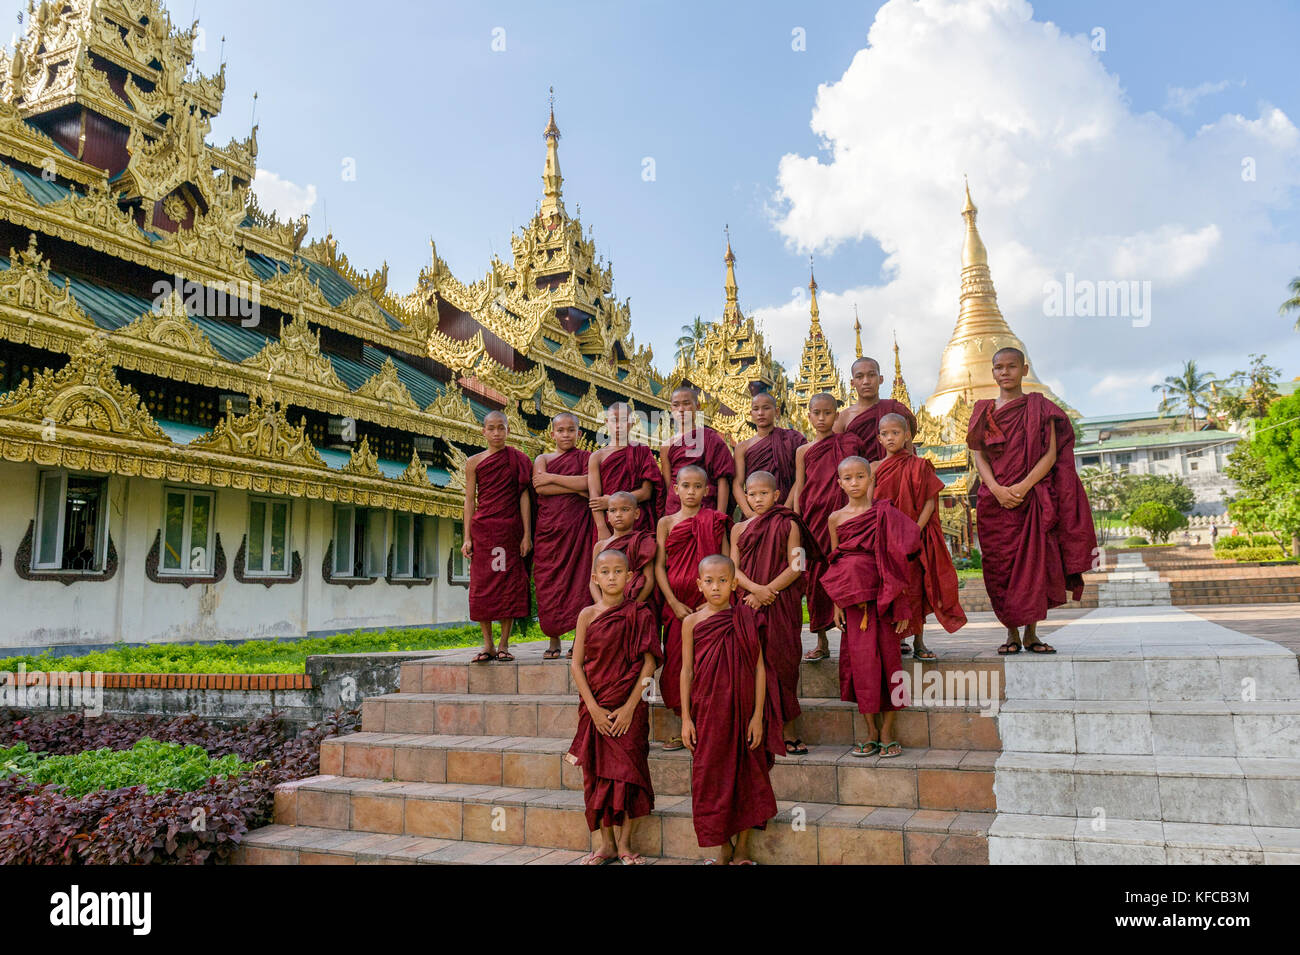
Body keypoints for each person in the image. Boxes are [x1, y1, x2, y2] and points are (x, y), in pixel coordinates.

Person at [966, 347, 1096, 655]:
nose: (1005, 372)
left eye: (1012, 366)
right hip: (994, 503)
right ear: (993, 371)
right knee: (1001, 568)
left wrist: (1023, 486)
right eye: (999, 367)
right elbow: (977, 453)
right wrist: (996, 488)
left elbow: (1051, 454)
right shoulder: (983, 409)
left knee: (1034, 567)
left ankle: (1032, 634)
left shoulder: (1040, 407)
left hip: (1031, 499)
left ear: (1025, 370)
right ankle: (1011, 633)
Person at [680, 554, 783, 865]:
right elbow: (686, 671)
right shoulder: (691, 623)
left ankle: (742, 850)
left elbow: (760, 668)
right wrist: (686, 718)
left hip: (742, 712)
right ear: (699, 585)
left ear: (735, 584)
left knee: (748, 776)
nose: (716, 587)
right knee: (710, 779)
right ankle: (724, 846)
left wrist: (757, 717)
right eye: (709, 581)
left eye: (723, 580)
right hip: (707, 713)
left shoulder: (746, 618)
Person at [567, 549, 663, 865]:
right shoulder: (586, 616)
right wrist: (593, 708)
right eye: (605, 572)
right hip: (594, 707)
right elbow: (577, 666)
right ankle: (605, 844)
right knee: (596, 776)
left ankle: (625, 843)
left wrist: (630, 706)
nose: (612, 577)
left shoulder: (641, 613)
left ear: (630, 577)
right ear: (595, 577)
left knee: (630, 772)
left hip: (630, 707)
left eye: (618, 571)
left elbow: (649, 664)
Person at [822, 456, 920, 759]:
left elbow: (898, 561)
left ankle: (889, 731)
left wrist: (902, 605)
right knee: (861, 669)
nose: (854, 483)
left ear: (871, 479)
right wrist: (836, 604)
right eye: (848, 478)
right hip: (853, 605)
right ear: (839, 483)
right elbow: (835, 561)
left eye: (860, 477)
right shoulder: (835, 519)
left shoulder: (885, 513)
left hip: (885, 601)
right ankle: (871, 732)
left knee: (892, 666)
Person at [732, 470, 822, 756]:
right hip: (748, 602)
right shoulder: (739, 529)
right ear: (745, 496)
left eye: (763, 493)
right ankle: (756, 727)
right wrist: (755, 590)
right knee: (751, 665)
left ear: (776, 495)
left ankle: (788, 730)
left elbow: (797, 566)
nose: (758, 499)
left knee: (783, 666)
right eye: (752, 494)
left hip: (781, 603)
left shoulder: (788, 523)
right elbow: (732, 569)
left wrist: (767, 590)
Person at [872, 413, 968, 660]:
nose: (891, 437)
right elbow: (869, 504)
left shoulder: (920, 465)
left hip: (913, 538)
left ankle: (919, 641)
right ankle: (894, 640)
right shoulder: (873, 469)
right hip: (885, 539)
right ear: (879, 438)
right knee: (889, 589)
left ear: (907, 436)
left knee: (915, 589)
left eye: (896, 432)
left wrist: (914, 530)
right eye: (885, 434)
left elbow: (929, 502)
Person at [654, 464, 730, 749]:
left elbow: (726, 563)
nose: (691, 491)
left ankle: (711, 726)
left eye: (697, 486)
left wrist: (714, 602)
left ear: (706, 491)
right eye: (685, 486)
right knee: (677, 666)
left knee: (710, 666)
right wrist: (672, 602)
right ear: (676, 489)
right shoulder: (666, 523)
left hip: (711, 605)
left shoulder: (715, 520)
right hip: (678, 609)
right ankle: (682, 724)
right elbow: (659, 567)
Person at [789, 392, 864, 663]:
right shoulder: (803, 451)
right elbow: (800, 485)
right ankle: (821, 640)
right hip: (813, 519)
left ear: (837, 415)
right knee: (815, 581)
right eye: (816, 413)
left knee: (847, 574)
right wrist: (795, 520)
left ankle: (853, 638)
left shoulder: (848, 443)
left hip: (843, 517)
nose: (822, 418)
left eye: (827, 413)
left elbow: (860, 476)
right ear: (808, 416)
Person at [462, 410, 532, 663]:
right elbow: (469, 500)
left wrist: (526, 534)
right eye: (491, 428)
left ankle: (503, 643)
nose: (496, 433)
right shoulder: (474, 462)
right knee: (482, 587)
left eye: (501, 428)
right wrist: (466, 537)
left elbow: (524, 497)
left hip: (510, 530)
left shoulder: (519, 459)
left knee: (508, 585)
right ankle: (487, 644)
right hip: (484, 531)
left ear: (508, 430)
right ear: (483, 431)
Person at [533, 412, 596, 659]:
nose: (566, 435)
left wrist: (552, 479)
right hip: (549, 532)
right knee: (548, 584)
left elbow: (589, 483)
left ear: (579, 434)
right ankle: (553, 640)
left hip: (577, 531)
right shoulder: (542, 458)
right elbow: (540, 486)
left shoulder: (587, 458)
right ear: (552, 434)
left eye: (571, 430)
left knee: (579, 583)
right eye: (561, 430)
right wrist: (574, 485)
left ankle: (578, 640)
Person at [589, 402, 664, 537]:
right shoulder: (596, 457)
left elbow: (646, 492)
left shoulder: (641, 451)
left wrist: (612, 500)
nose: (619, 425)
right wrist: (601, 528)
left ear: (632, 423)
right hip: (609, 520)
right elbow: (595, 499)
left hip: (636, 519)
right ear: (606, 422)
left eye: (624, 420)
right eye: (614, 420)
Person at [661, 386, 735, 515]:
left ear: (698, 406)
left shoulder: (710, 438)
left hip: (706, 508)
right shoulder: (666, 446)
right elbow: (669, 487)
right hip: (676, 510)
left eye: (686, 404)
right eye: (676, 405)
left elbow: (723, 480)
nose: (681, 409)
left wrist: (720, 516)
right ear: (671, 409)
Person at [733, 391, 805, 515]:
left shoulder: (791, 439)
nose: (760, 413)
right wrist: (749, 513)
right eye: (756, 409)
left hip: (787, 508)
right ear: (751, 414)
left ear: (776, 412)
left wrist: (787, 507)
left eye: (766, 408)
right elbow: (737, 484)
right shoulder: (742, 447)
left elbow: (800, 478)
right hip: (755, 510)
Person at [835, 356, 917, 462]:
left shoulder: (896, 410)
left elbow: (908, 455)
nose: (866, 381)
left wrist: (880, 465)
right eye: (859, 377)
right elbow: (836, 461)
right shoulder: (842, 418)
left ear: (881, 379)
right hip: (858, 477)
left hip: (896, 475)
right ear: (852, 383)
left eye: (871, 375)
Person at [590, 491, 658, 605]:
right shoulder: (600, 546)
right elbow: (593, 583)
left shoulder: (642, 541)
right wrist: (602, 606)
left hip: (634, 606)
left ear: (636, 513)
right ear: (608, 516)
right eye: (613, 510)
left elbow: (649, 580)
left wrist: (630, 607)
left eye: (624, 510)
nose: (618, 514)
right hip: (606, 607)